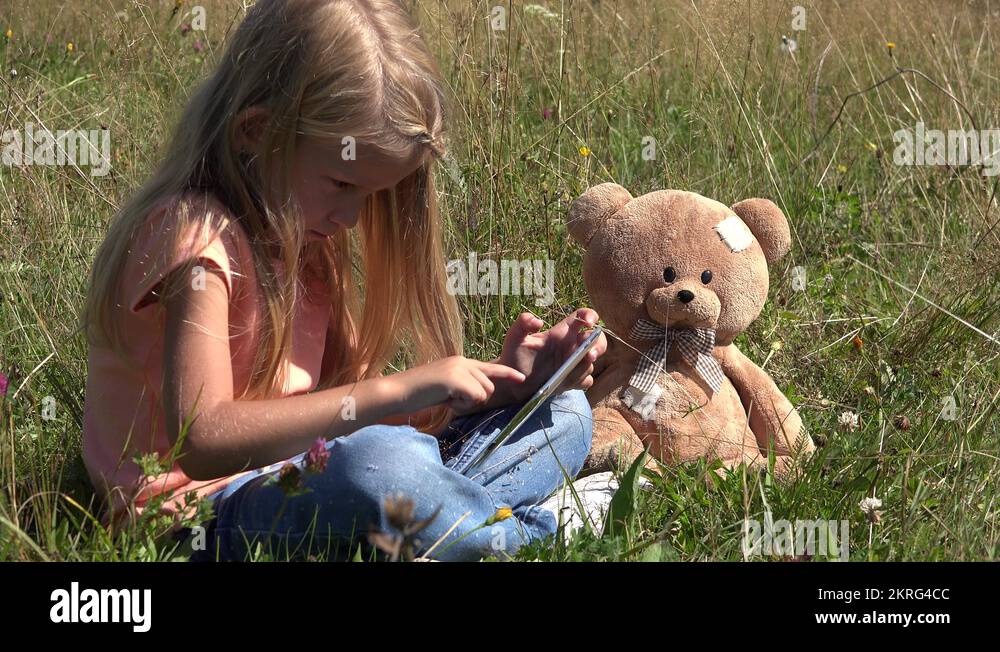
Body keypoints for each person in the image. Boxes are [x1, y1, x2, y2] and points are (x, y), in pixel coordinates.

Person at [80, 0, 606, 561]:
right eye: (341, 182)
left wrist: (481, 395)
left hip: (315, 483)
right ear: (257, 132)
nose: (352, 217)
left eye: (371, 194)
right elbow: (205, 441)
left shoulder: (309, 243)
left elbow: (351, 407)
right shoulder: (196, 239)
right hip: (199, 522)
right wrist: (408, 388)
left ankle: (442, 528)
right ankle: (528, 527)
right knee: (387, 464)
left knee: (565, 416)